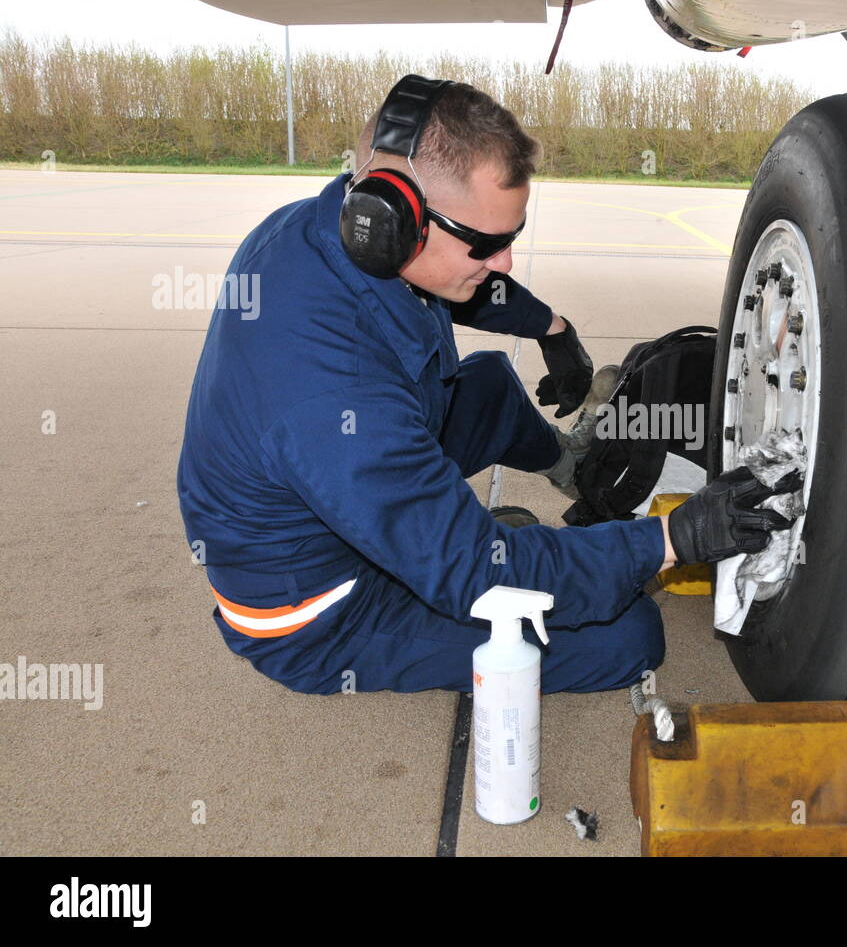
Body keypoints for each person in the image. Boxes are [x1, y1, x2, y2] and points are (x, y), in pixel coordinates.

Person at [176, 75, 798, 696]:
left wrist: (552, 329)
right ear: (395, 221)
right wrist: (674, 538)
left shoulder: (331, 231)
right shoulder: (332, 392)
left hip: (339, 488)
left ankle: (570, 469)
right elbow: (472, 571)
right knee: (627, 637)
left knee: (491, 385)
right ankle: (464, 551)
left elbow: (462, 290)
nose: (503, 262)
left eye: (511, 239)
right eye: (487, 244)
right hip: (322, 610)